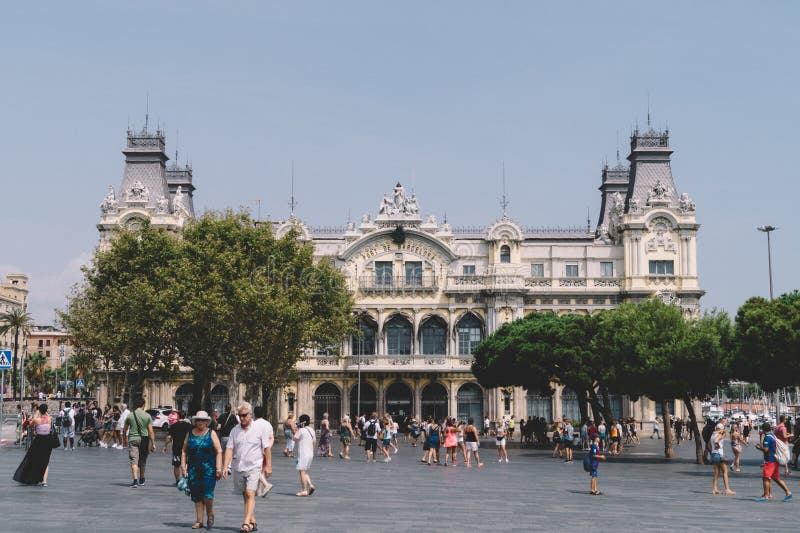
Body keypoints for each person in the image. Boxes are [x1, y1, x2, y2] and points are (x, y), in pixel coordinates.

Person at [222, 402, 273, 533]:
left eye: (245, 415)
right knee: (245, 495)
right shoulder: (235, 430)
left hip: (254, 466)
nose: (242, 418)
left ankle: (245, 523)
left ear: (250, 415)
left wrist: (268, 466)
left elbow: (266, 448)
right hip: (239, 466)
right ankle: (252, 520)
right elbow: (229, 449)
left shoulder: (259, 429)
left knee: (250, 493)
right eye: (240, 415)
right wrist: (225, 466)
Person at [181, 411, 223, 530]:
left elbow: (219, 451)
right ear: (195, 421)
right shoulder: (190, 434)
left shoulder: (211, 433)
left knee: (207, 494)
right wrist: (183, 467)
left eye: (203, 420)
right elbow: (184, 450)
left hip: (209, 469)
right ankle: (199, 520)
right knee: (196, 495)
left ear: (207, 422)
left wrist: (218, 468)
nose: (200, 422)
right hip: (194, 469)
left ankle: (210, 513)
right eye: (198, 420)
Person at [13, 403, 54, 487]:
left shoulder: (36, 420)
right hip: (47, 442)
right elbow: (47, 415)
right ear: (46, 411)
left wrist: (37, 413)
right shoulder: (49, 419)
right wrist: (45, 412)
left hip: (39, 441)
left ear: (39, 410)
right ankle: (44, 481)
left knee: (33, 459)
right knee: (45, 461)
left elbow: (30, 425)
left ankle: (32, 477)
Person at [755, 422, 793, 502]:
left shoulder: (767, 438)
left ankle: (766, 496)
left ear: (763, 429)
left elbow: (766, 449)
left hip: (770, 460)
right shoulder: (773, 436)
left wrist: (759, 447)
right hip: (775, 460)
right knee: (776, 478)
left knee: (765, 478)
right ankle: (788, 492)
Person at [123, 397, 156, 488]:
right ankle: (142, 479)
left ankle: (135, 481)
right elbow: (151, 431)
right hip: (144, 440)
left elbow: (125, 430)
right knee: (142, 460)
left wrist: (124, 440)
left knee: (134, 460)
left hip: (133, 439)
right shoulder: (147, 416)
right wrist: (153, 443)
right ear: (144, 405)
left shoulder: (130, 415)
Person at [164, 411, 193, 484]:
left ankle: (177, 481)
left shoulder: (174, 426)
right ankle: (186, 480)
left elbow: (169, 437)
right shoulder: (189, 426)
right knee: (187, 465)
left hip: (176, 448)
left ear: (178, 416)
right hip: (187, 449)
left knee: (176, 466)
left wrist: (165, 446)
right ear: (185, 416)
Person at [293, 414, 316, 496]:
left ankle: (304, 490)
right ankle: (310, 485)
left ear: (302, 422)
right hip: (310, 454)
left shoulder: (301, 430)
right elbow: (314, 442)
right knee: (304, 471)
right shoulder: (312, 430)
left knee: (301, 471)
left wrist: (296, 429)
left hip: (303, 454)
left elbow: (294, 439)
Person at [710, 422, 735, 495]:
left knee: (716, 472)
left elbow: (709, 444)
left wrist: (713, 448)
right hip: (719, 454)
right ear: (721, 429)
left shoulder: (712, 435)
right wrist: (717, 445)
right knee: (725, 472)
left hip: (713, 454)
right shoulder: (719, 435)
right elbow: (716, 441)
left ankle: (714, 489)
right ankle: (727, 489)